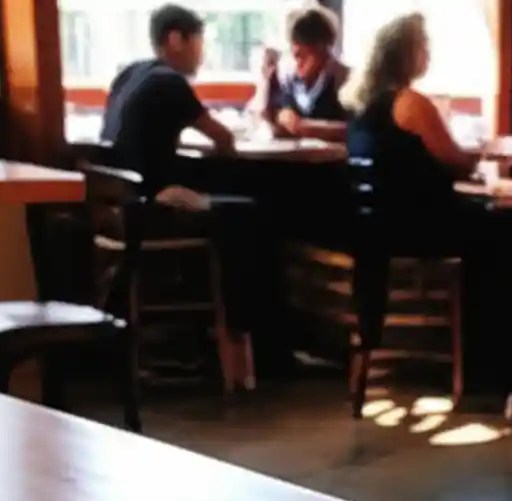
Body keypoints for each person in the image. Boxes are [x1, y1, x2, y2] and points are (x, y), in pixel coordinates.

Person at [342, 13, 512, 404]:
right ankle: (495, 363)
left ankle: (486, 357)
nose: (429, 52)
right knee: (509, 226)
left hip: (378, 230)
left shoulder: (362, 106)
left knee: (493, 224)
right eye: (423, 45)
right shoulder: (411, 103)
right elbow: (454, 160)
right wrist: (480, 156)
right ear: (405, 54)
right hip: (422, 225)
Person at [100, 4, 258, 389]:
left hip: (120, 204)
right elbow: (223, 139)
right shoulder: (169, 82)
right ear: (176, 39)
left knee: (231, 208)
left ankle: (205, 341)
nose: (201, 54)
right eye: (199, 42)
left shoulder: (130, 73)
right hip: (153, 206)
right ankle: (249, 344)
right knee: (248, 214)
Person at [260, 6, 350, 141]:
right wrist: (267, 81)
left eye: (305, 56)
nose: (298, 63)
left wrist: (305, 127)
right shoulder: (290, 83)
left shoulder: (346, 81)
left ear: (323, 48)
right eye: (296, 56)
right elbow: (269, 122)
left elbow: (357, 131)